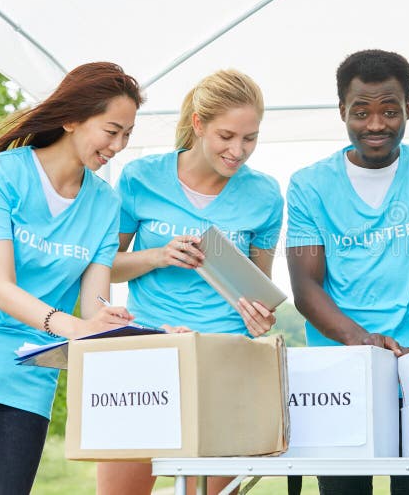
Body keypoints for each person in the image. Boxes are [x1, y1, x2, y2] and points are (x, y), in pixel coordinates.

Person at [0, 62, 142, 494]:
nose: (118, 145)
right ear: (70, 119)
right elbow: (2, 288)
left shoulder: (105, 203)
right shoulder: (2, 175)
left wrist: (115, 326)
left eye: (127, 134)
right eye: (111, 130)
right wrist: (75, 329)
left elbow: (95, 305)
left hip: (29, 375)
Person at [286, 49, 409, 495]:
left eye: (390, 111)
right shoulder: (308, 185)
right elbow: (305, 287)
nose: (376, 124)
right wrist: (364, 345)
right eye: (361, 112)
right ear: (342, 112)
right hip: (342, 379)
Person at [96, 69, 282, 495]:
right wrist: (159, 255)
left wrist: (261, 316)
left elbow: (259, 289)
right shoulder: (140, 177)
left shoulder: (266, 195)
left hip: (225, 358)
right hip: (149, 352)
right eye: (226, 136)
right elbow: (105, 266)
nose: (238, 151)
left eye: (250, 138)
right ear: (198, 125)